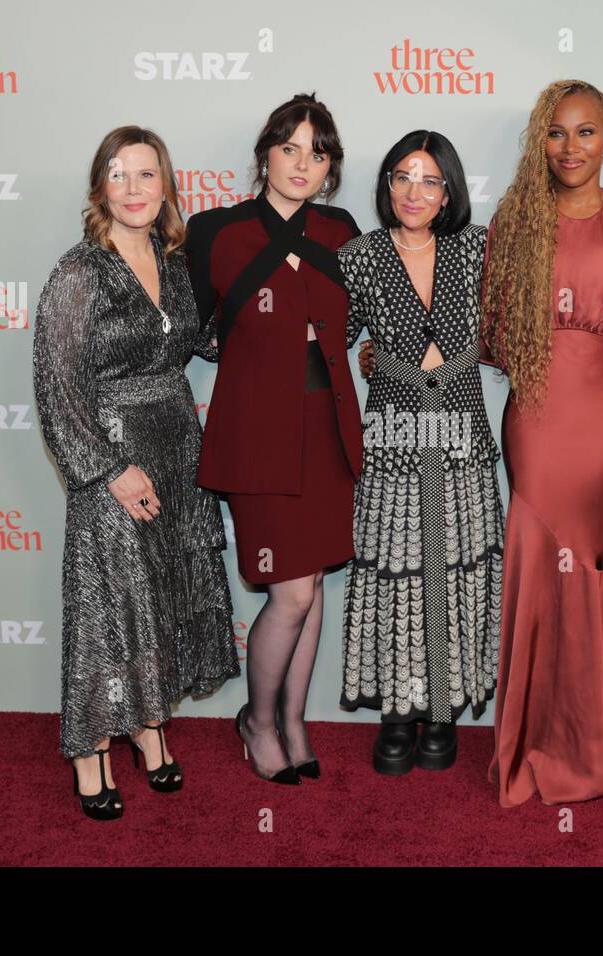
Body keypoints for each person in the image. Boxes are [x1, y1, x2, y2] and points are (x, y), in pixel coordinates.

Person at [33, 125, 239, 821]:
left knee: (156, 597)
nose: (132, 188)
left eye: (145, 174)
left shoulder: (175, 263)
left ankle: (150, 731)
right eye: (117, 175)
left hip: (177, 449)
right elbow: (56, 387)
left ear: (166, 185)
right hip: (112, 459)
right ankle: (90, 749)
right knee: (107, 604)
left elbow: (205, 338)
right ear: (99, 189)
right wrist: (109, 470)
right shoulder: (79, 272)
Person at [478, 80, 603, 808]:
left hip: (601, 419)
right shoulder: (516, 219)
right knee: (540, 561)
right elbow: (496, 331)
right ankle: (538, 742)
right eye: (557, 133)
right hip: (533, 417)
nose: (571, 148)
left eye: (586, 133)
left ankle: (597, 741)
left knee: (591, 562)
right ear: (541, 140)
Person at [185, 93, 362, 785]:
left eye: (316, 152)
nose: (301, 163)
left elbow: (364, 327)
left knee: (312, 587)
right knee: (289, 594)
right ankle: (257, 720)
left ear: (329, 168)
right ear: (265, 154)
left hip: (329, 434)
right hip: (257, 436)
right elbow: (186, 331)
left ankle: (292, 719)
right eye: (289, 147)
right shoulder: (215, 232)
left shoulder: (343, 231)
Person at [337, 130, 505, 775]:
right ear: (386, 186)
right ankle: (397, 713)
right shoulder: (359, 257)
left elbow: (515, 321)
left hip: (461, 439)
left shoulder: (478, 248)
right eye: (402, 177)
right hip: (393, 443)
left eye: (430, 180)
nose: (415, 191)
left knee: (452, 571)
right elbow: (331, 341)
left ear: (449, 192)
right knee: (399, 576)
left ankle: (441, 711)